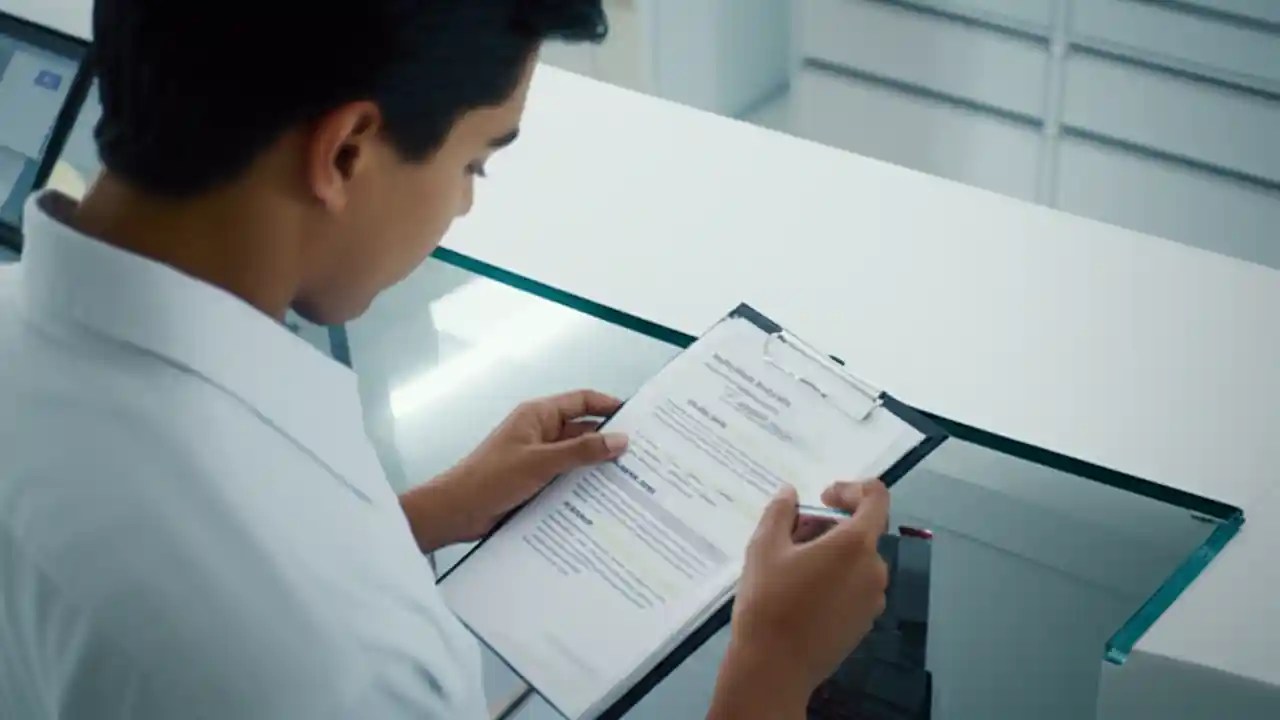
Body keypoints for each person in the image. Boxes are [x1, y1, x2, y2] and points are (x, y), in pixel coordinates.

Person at [0, 1, 891, 718]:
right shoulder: (335, 667)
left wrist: (427, 515)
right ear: (347, 151)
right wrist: (771, 673)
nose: (462, 208)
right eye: (475, 165)